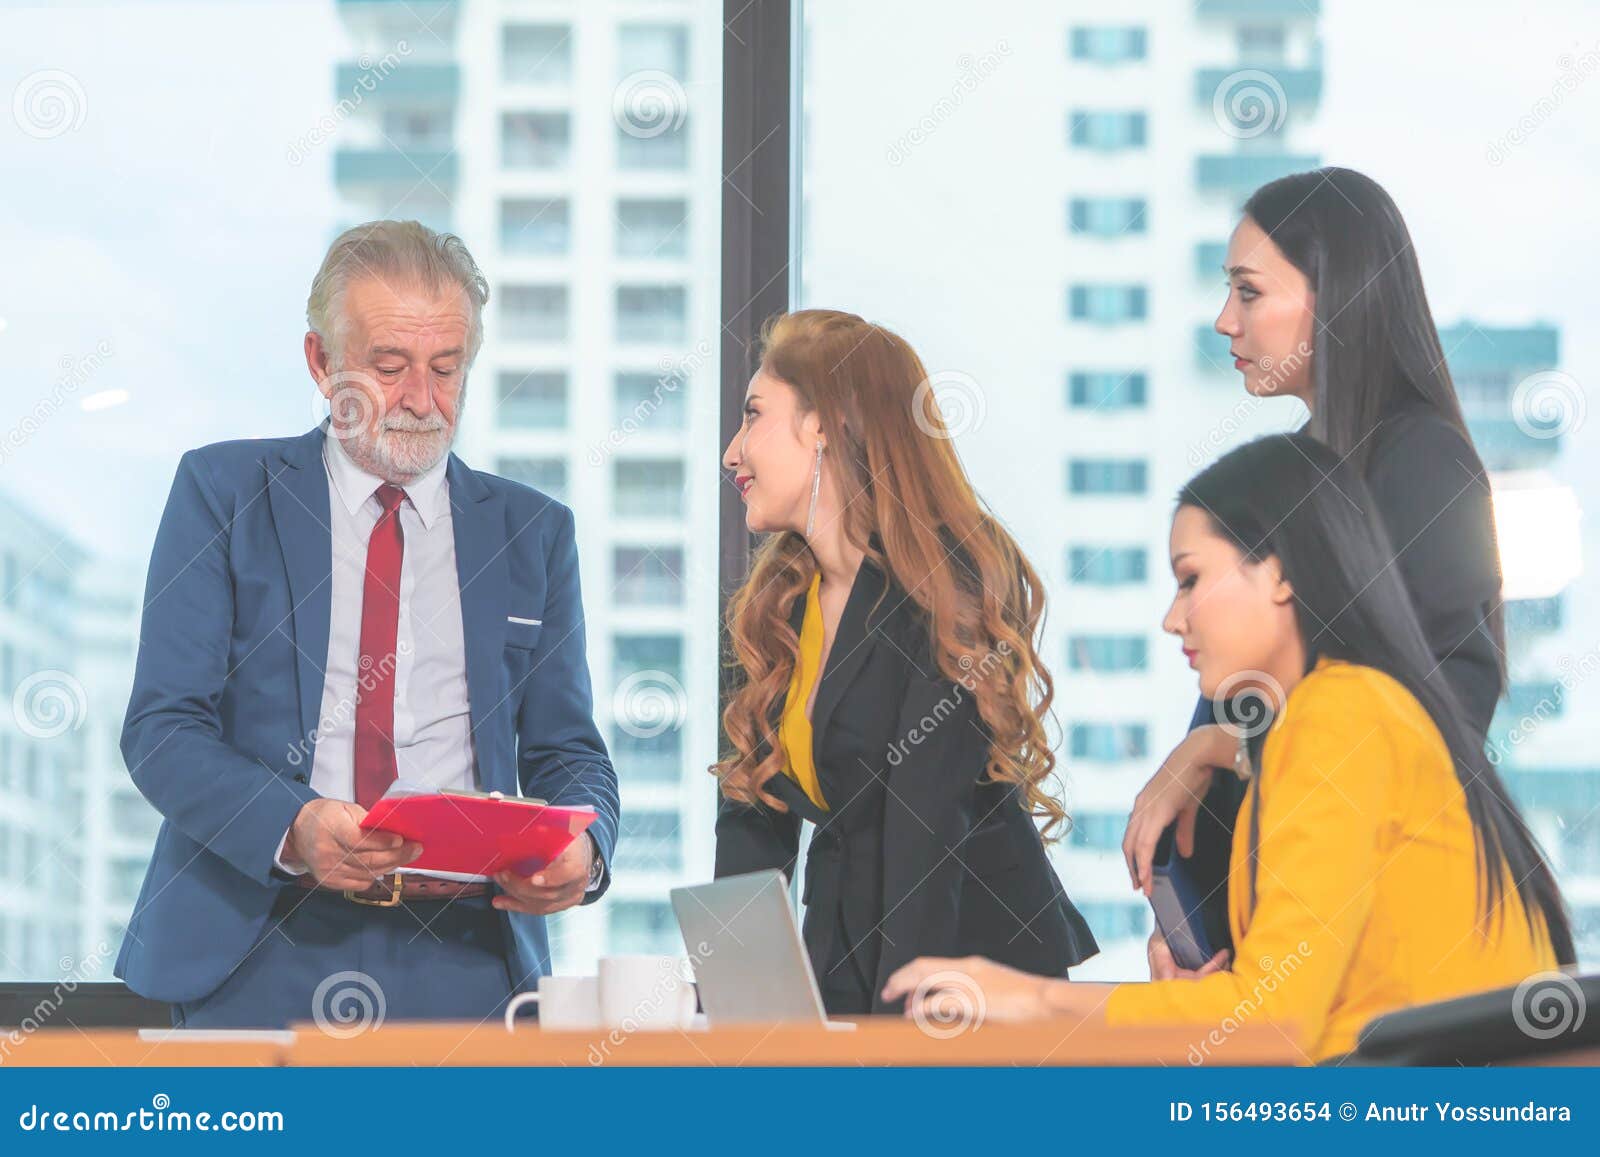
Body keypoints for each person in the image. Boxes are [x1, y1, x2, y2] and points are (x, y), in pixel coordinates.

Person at [884, 434, 1573, 1063]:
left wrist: (1029, 998)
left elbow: (1271, 1023)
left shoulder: (1340, 713)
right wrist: (1191, 1007)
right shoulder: (1355, 710)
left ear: (1280, 574)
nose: (1172, 617)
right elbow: (1276, 1010)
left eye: (1190, 578)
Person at [115, 221, 619, 1028]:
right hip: (259, 940)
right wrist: (294, 823)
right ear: (321, 362)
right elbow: (162, 729)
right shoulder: (222, 491)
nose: (422, 398)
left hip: (470, 955)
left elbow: (569, 750)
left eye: (446, 368)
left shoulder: (535, 532)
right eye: (390, 368)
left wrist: (587, 855)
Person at [1124, 167, 1509, 919]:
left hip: (1373, 936)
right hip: (1271, 932)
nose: (1224, 321)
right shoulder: (1299, 474)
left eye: (1249, 291)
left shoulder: (1422, 462)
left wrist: (1212, 751)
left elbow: (1436, 714)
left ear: (1337, 301)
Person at [713, 309, 1097, 1014]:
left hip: (972, 982)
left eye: (753, 415)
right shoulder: (775, 606)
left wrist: (895, 1047)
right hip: (850, 962)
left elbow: (924, 841)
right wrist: (741, 1011)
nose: (732, 452)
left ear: (822, 422)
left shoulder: (946, 587)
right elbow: (753, 812)